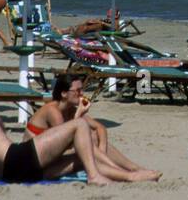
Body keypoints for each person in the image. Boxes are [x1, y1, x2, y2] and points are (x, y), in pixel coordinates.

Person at [0, 93, 121, 185]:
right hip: (17, 158)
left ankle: (130, 176)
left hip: (10, 176)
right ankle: (96, 176)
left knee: (80, 157)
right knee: (80, 125)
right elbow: (1, 134)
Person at [25, 75, 160, 182]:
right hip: (38, 168)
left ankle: (134, 169)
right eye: (77, 91)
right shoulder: (52, 111)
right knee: (87, 147)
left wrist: (101, 152)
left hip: (52, 162)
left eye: (82, 90)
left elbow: (100, 128)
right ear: (64, 93)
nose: (81, 94)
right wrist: (79, 115)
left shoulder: (71, 110)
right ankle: (125, 173)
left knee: (93, 140)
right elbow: (66, 141)